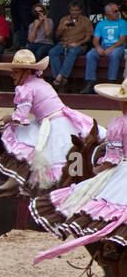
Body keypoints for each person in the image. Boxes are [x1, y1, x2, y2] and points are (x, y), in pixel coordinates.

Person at [31, 80, 127, 263]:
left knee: (90, 199)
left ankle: (110, 246)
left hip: (123, 171)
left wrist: (97, 168)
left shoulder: (118, 124)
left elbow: (113, 159)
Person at [0, 48, 94, 194]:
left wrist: (8, 118)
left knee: (14, 132)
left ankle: (19, 176)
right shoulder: (42, 83)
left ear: (25, 72)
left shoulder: (25, 88)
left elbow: (21, 118)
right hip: (62, 120)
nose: (11, 74)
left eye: (15, 71)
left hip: (51, 124)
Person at [48, 0, 93, 90]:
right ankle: (61, 78)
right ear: (69, 10)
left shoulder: (86, 21)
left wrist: (77, 43)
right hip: (63, 44)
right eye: (72, 10)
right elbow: (57, 35)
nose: (74, 12)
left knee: (72, 52)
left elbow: (89, 37)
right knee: (52, 52)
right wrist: (62, 28)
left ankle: (59, 76)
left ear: (80, 11)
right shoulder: (64, 19)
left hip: (79, 45)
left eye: (76, 10)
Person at [84, 2, 127, 92]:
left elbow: (122, 39)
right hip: (104, 45)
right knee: (90, 54)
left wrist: (111, 48)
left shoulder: (122, 23)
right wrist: (98, 47)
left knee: (114, 55)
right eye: (115, 11)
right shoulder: (101, 24)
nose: (118, 13)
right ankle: (90, 82)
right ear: (108, 13)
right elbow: (95, 39)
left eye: (118, 10)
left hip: (118, 46)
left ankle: (111, 82)